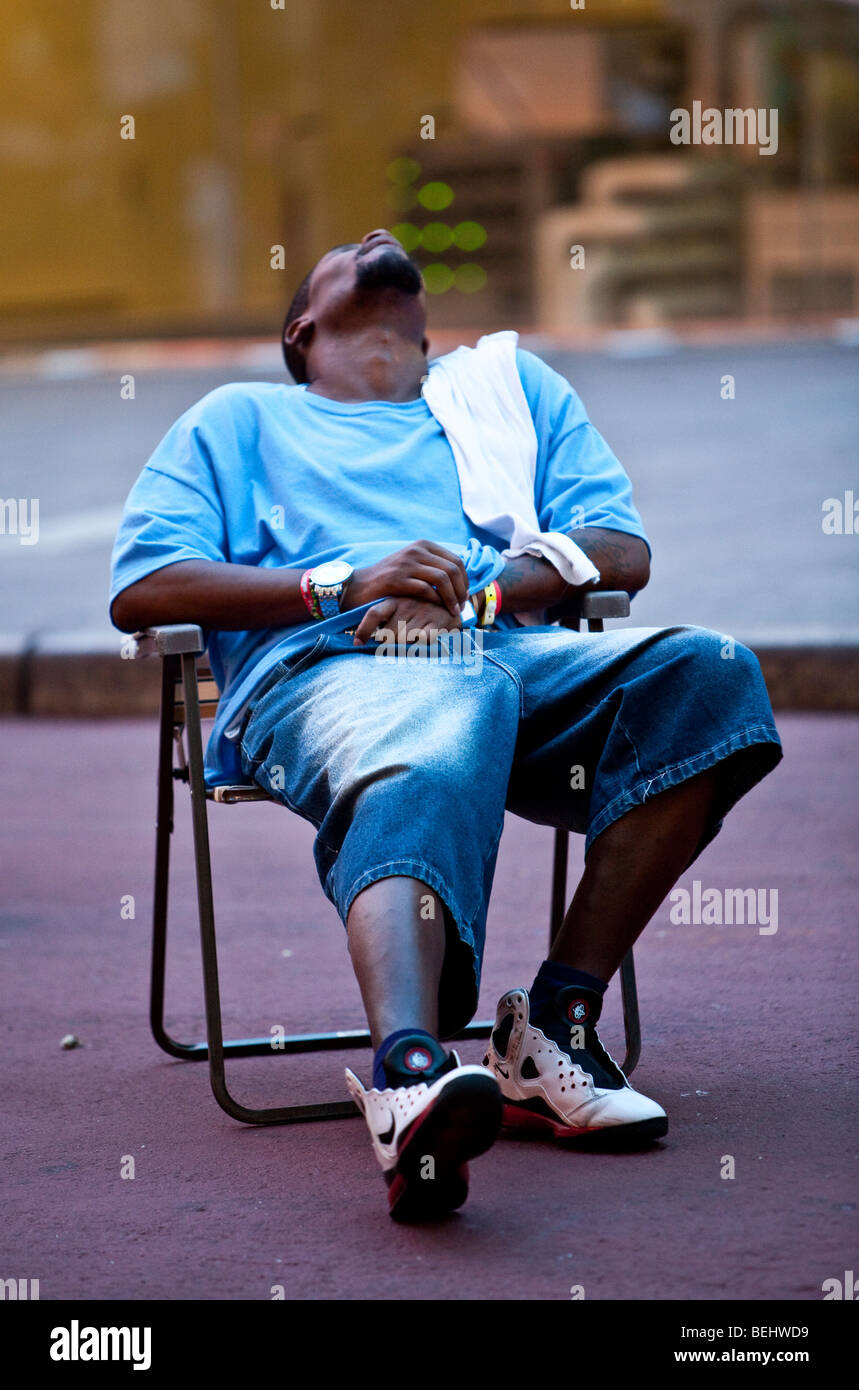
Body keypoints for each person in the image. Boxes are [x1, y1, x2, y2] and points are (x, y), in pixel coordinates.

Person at [110, 228, 782, 1223]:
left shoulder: (506, 395)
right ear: (303, 327)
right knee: (447, 699)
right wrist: (342, 580)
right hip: (324, 668)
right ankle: (408, 1073)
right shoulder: (239, 419)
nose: (378, 236)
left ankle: (552, 1027)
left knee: (710, 671)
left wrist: (473, 604)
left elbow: (619, 547)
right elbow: (143, 587)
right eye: (346, 248)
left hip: (500, 649)